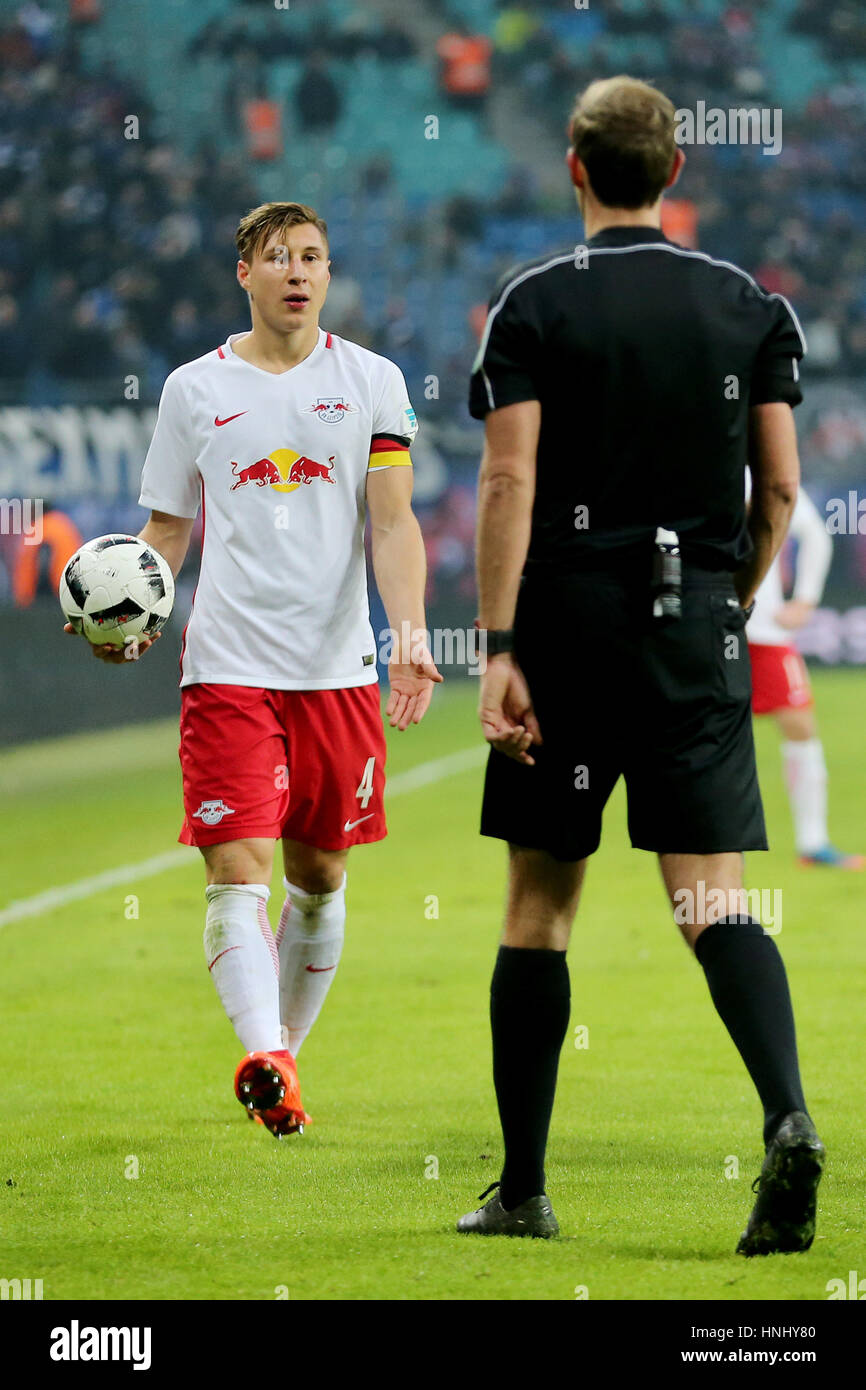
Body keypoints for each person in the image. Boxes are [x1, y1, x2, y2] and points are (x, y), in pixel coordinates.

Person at [460, 77, 824, 1253]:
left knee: (537, 906)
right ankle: (785, 1116)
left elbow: (508, 481)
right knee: (709, 897)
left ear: (572, 166)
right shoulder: (747, 306)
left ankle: (521, 1189)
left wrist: (501, 645)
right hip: (693, 630)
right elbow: (776, 488)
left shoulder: (531, 307)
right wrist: (734, 592)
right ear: (674, 172)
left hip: (564, 631)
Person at [65, 200, 441, 1137]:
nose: (297, 272)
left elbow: (391, 523)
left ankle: (282, 1064)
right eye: (278, 258)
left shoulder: (373, 381)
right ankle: (266, 1054)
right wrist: (136, 609)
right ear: (246, 273)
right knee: (237, 872)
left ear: (327, 271)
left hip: (338, 670)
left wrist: (411, 632)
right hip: (229, 665)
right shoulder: (194, 389)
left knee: (319, 879)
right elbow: (166, 529)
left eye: (312, 256)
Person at [747, 483, 863, 868]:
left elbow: (814, 534)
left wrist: (806, 599)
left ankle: (813, 844)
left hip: (763, 628)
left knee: (799, 724)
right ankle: (700, 842)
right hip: (699, 627)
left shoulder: (757, 466)